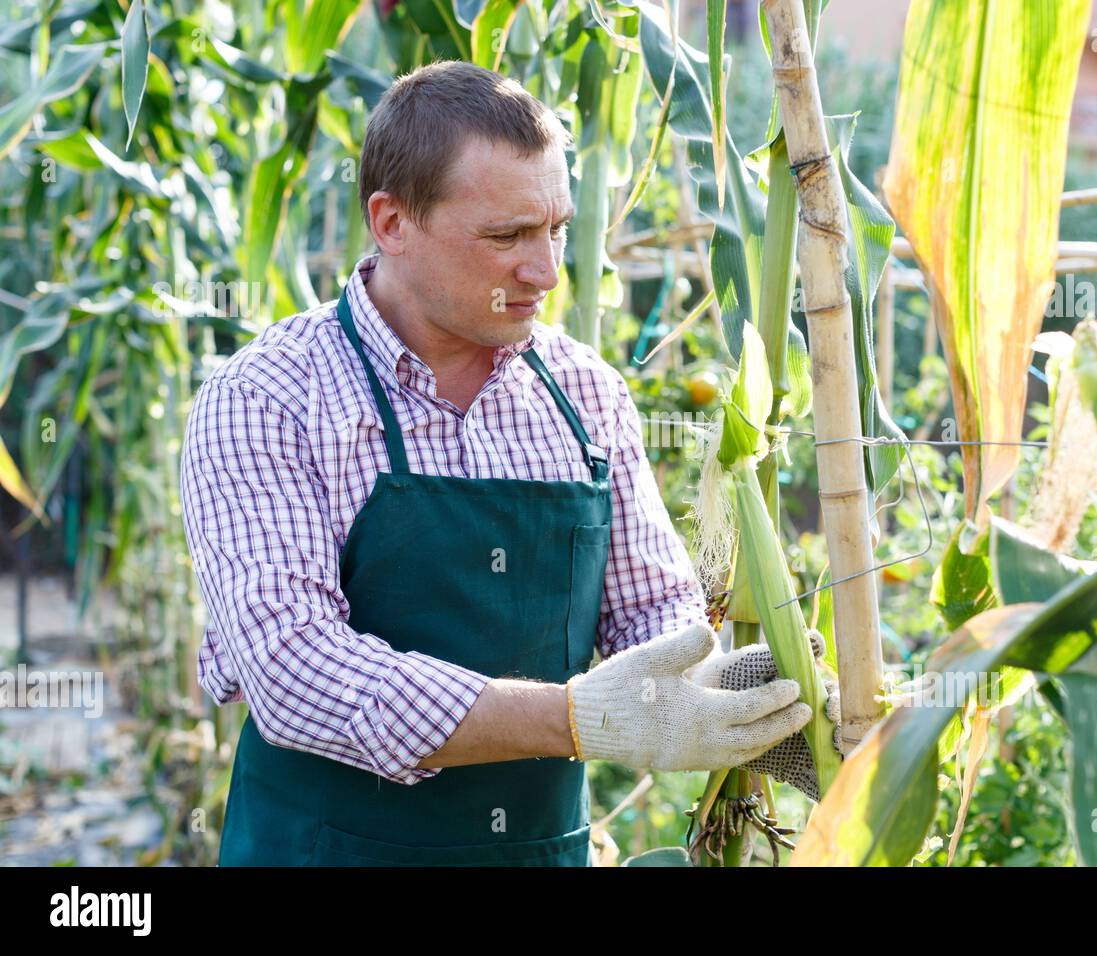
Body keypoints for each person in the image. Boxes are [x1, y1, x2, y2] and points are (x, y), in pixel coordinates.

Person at [179, 60, 841, 867]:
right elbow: (294, 671)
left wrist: (760, 698)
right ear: (391, 222)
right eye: (507, 237)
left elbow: (653, 620)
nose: (547, 271)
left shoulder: (585, 395)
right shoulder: (271, 396)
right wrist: (572, 718)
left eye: (556, 228)